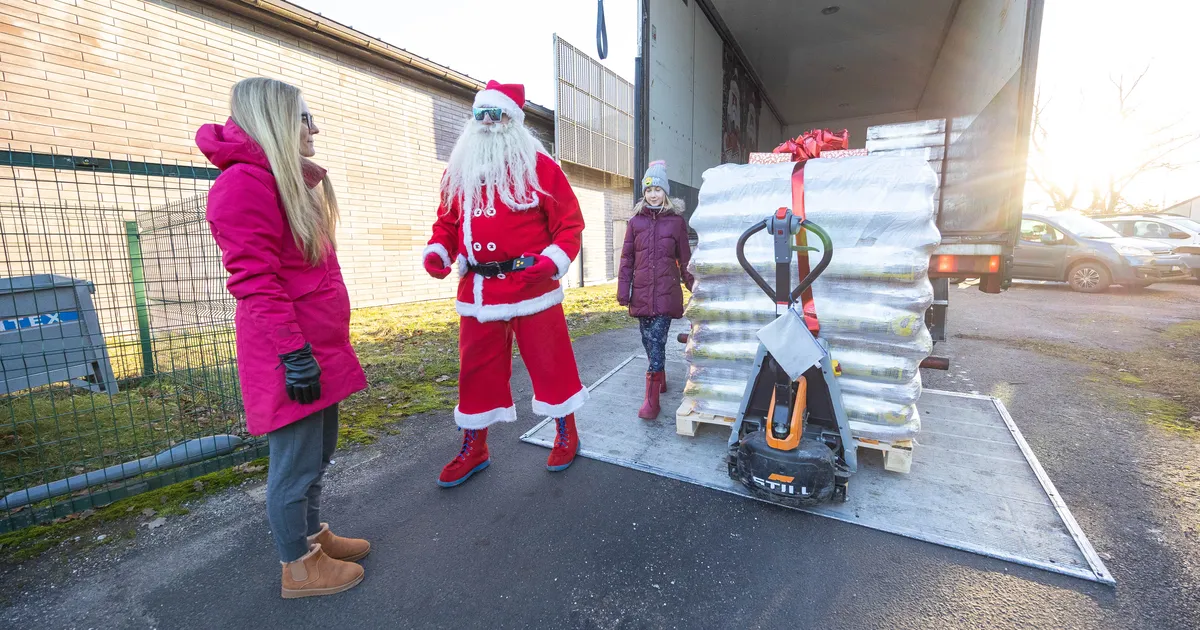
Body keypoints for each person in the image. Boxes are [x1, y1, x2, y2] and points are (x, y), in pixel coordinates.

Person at [197, 77, 370, 599]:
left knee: (317, 456)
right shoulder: (243, 185)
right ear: (274, 120)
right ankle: (297, 567)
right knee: (293, 466)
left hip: (318, 346)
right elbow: (255, 282)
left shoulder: (285, 180)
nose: (314, 127)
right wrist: (294, 355)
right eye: (303, 117)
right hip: (288, 351)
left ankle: (312, 538)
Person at [422, 80, 588, 487]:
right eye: (479, 115)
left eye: (495, 115)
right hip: (478, 291)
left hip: (532, 287)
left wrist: (552, 262)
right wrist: (438, 251)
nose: (486, 124)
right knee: (475, 371)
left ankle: (566, 431)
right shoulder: (457, 172)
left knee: (551, 363)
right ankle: (474, 445)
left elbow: (569, 224)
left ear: (513, 120)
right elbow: (447, 223)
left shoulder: (540, 167)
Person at [617, 160, 694, 419]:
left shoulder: (676, 222)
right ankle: (659, 377)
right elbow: (627, 259)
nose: (653, 194)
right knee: (646, 339)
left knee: (657, 340)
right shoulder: (635, 222)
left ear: (665, 192)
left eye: (657, 189)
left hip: (665, 291)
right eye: (648, 189)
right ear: (644, 193)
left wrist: (693, 285)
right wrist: (623, 289)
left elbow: (685, 259)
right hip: (640, 291)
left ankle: (651, 400)